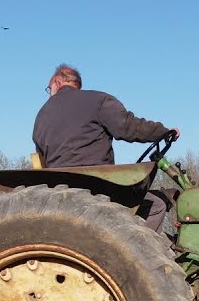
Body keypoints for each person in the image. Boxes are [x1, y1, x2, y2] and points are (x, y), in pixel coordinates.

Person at [33, 64, 179, 232]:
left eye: (48, 89)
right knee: (157, 205)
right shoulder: (96, 100)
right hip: (98, 189)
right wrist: (163, 132)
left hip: (60, 192)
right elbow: (127, 127)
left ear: (57, 82)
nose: (49, 93)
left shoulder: (41, 116)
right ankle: (131, 247)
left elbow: (41, 158)